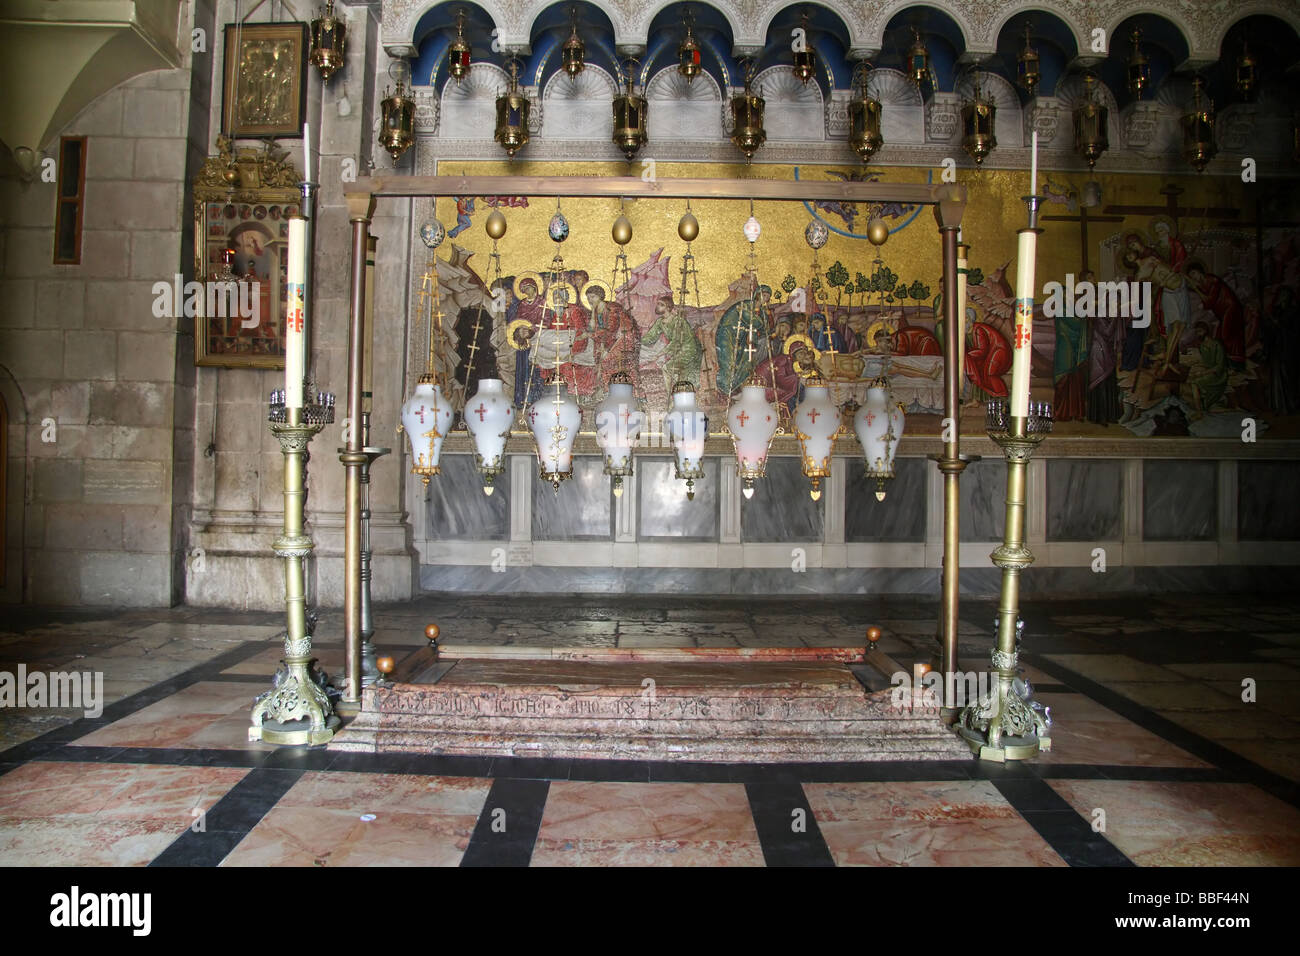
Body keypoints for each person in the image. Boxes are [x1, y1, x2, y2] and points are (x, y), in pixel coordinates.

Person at [1185, 261, 1246, 368]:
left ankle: (1235, 362)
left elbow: (1208, 302)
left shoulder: (1213, 281)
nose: (1193, 277)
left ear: (1200, 271)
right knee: (1220, 336)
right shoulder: (1203, 284)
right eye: (1191, 276)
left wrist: (1195, 289)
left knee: (1226, 334)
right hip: (1222, 311)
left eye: (1194, 274)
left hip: (1230, 308)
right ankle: (1224, 361)